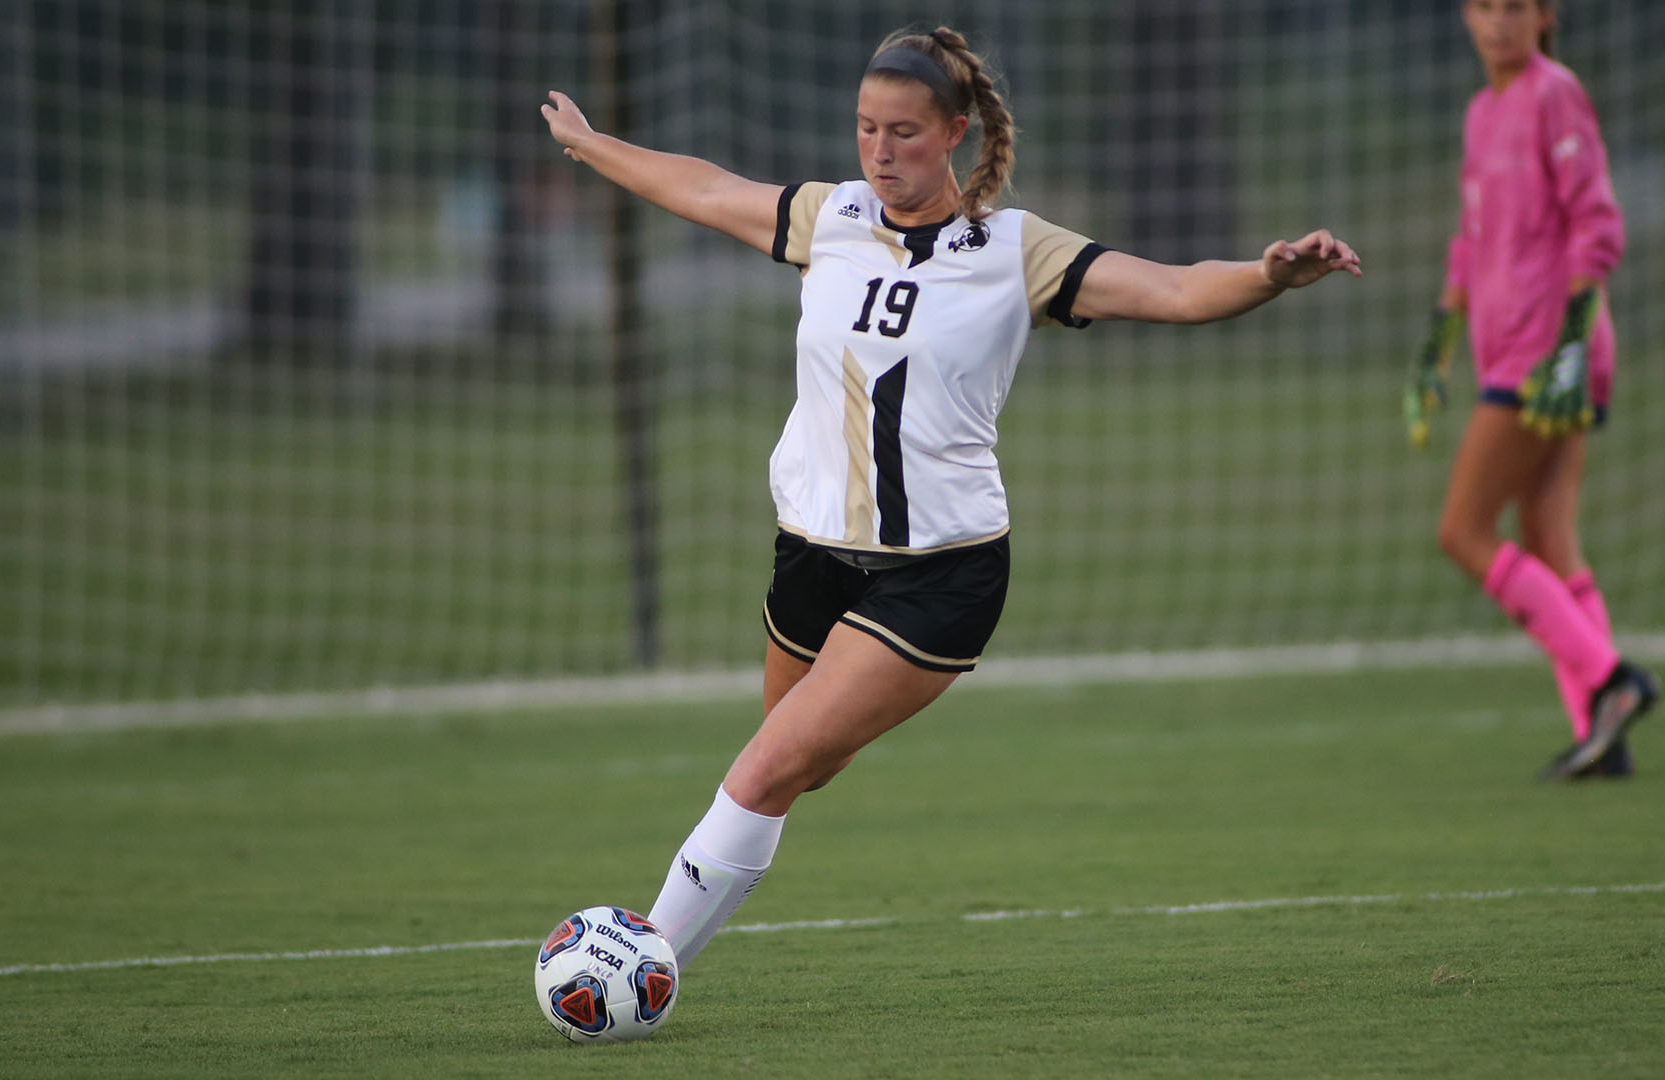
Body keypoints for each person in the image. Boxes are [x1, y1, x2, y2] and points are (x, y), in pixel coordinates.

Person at [541, 25, 1360, 969]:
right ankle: (656, 952)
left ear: (958, 134)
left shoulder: (1015, 251)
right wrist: (592, 144)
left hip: (940, 574)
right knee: (798, 765)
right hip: (810, 550)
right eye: (864, 130)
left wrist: (1268, 275)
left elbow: (1173, 290)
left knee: (766, 768)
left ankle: (639, 966)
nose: (880, 154)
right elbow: (708, 187)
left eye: (904, 133)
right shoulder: (831, 217)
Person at [1404, 0, 1657, 780]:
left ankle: (1613, 683)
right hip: (1509, 350)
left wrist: (1574, 341)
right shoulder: (1484, 111)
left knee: (1463, 531)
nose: (1498, 22)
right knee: (1548, 538)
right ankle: (1600, 736)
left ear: (1545, 16)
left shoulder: (1555, 93)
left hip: (1547, 355)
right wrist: (1436, 350)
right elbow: (1471, 240)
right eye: (1484, 6)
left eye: (1515, 6)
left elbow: (1596, 221)